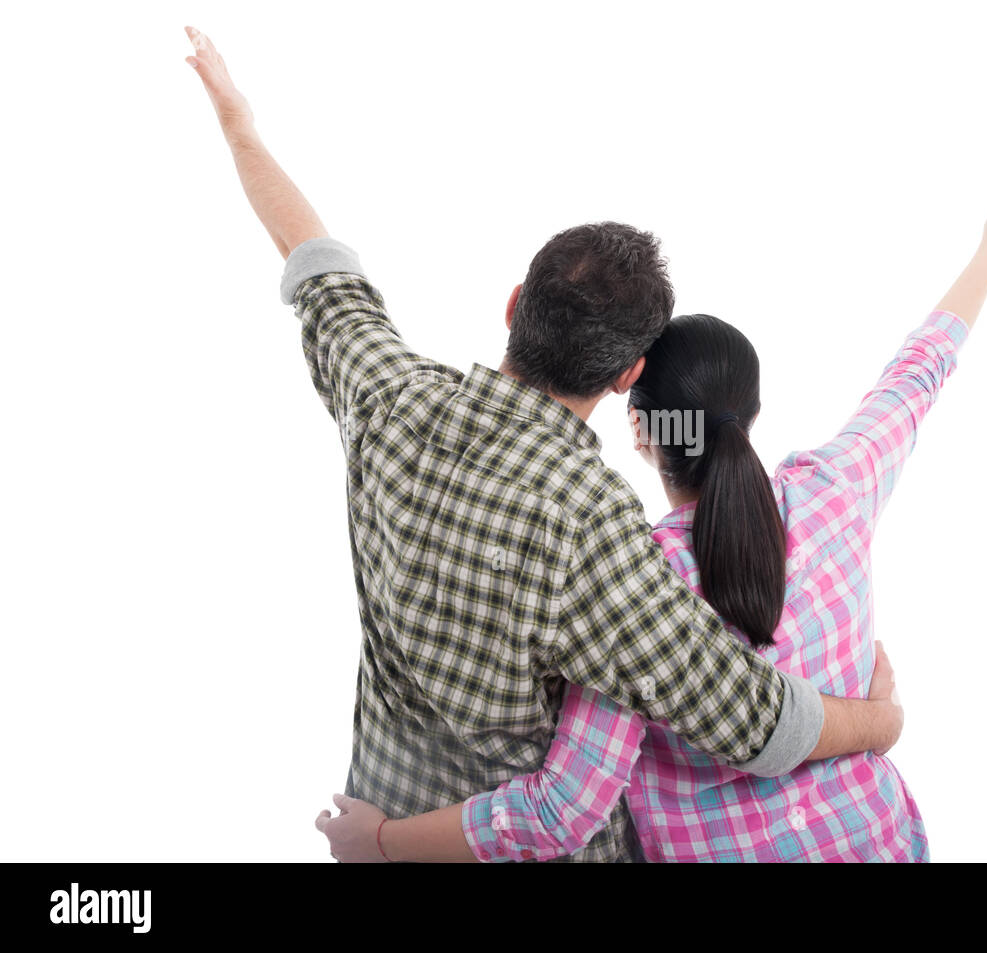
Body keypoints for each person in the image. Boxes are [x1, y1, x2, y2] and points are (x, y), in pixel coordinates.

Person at [184, 26, 906, 862]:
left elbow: (314, 260)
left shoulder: (385, 397)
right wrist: (881, 720)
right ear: (628, 374)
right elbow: (757, 719)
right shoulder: (595, 527)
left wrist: (237, 118)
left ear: (515, 302)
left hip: (374, 807)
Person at [315, 156, 987, 862]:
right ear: (752, 408)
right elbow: (918, 371)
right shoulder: (841, 487)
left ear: (637, 416)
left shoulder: (628, 578)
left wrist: (382, 836)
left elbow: (560, 809)